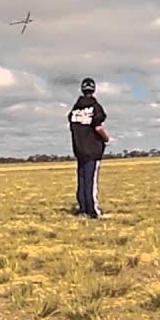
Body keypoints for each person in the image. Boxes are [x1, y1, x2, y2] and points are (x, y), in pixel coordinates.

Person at [68, 77, 110, 218]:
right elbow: (98, 127)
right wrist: (106, 138)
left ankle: (83, 209)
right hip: (92, 150)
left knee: (82, 180)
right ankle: (93, 211)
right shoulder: (95, 107)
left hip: (79, 149)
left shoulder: (75, 110)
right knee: (91, 181)